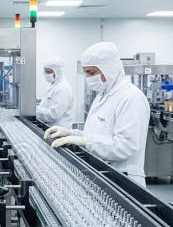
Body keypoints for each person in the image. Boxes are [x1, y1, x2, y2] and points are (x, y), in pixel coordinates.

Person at [44, 42, 150, 187]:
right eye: (85, 73)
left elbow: (124, 146)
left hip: (123, 180)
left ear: (109, 69)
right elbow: (95, 134)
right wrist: (71, 133)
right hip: (103, 173)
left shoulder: (131, 97)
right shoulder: (102, 95)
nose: (88, 78)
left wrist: (84, 142)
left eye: (91, 72)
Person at [36, 56, 74, 128]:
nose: (46, 74)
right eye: (45, 71)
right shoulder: (53, 85)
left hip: (59, 131)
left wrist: (33, 110)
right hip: (51, 128)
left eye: (48, 72)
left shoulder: (63, 88)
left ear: (58, 72)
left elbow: (53, 115)